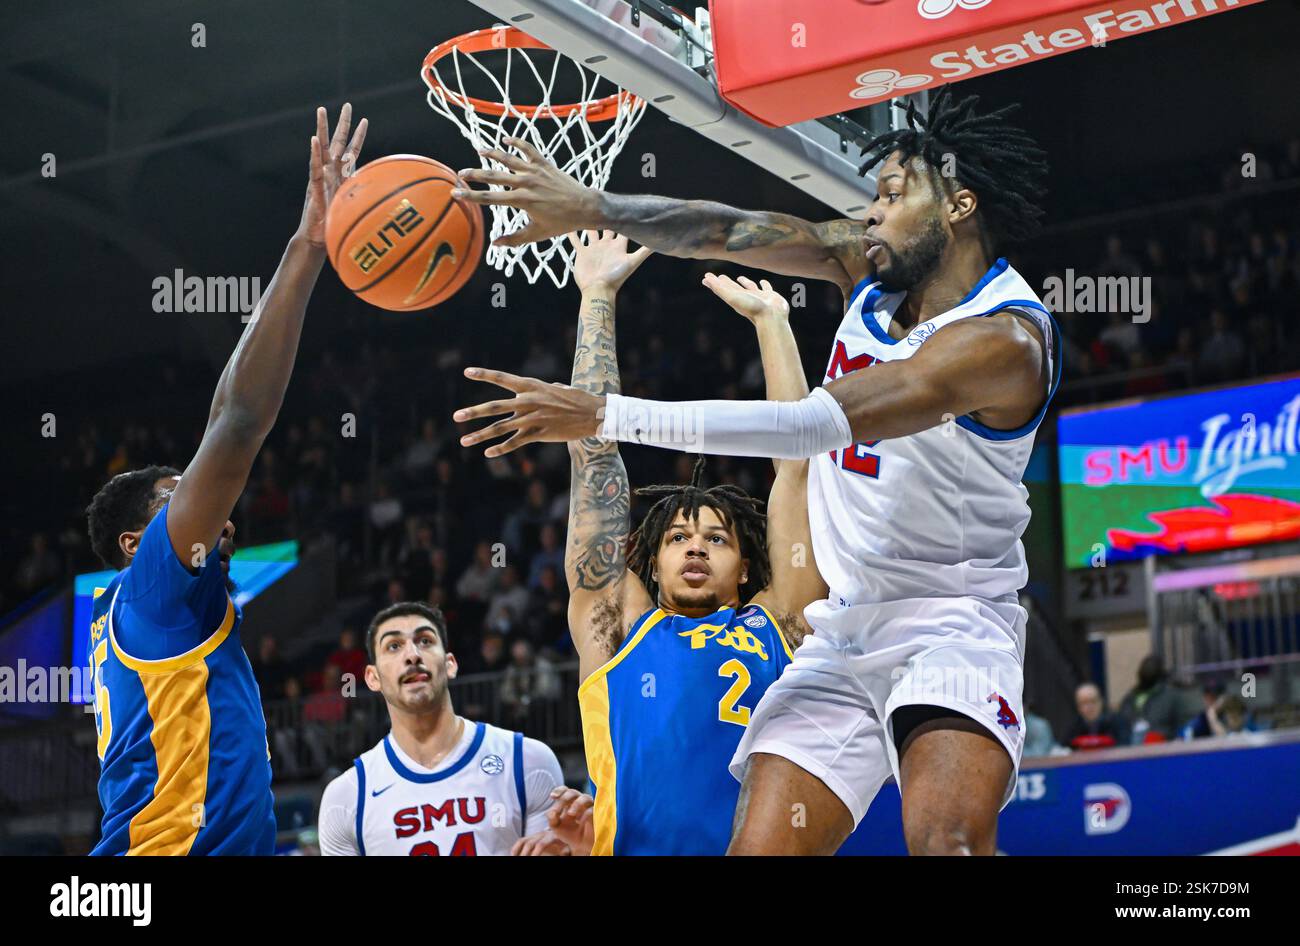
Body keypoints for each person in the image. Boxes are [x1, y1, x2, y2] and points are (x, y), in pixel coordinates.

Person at [453, 89, 1058, 855]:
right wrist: (591, 203)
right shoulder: (863, 268)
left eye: (894, 195)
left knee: (947, 845)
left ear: (960, 205)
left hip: (951, 622)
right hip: (846, 629)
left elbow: (810, 424)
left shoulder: (1004, 341)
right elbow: (725, 229)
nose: (870, 213)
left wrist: (607, 415)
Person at [82, 105, 367, 856]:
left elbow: (220, 415)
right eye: (176, 495)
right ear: (136, 540)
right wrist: (307, 254)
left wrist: (302, 245)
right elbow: (238, 427)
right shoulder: (156, 585)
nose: (223, 515)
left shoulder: (146, 610)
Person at [515, 231, 827, 855]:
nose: (695, 548)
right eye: (679, 537)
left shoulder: (780, 624)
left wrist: (773, 324)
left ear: (745, 568)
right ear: (651, 563)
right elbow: (593, 453)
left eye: (717, 539)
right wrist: (596, 296)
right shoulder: (618, 626)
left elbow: (799, 465)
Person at [316, 602, 564, 856]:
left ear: (450, 665)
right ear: (373, 678)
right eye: (394, 646)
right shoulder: (346, 798)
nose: (412, 655)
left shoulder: (527, 761)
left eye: (424, 641)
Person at [1119, 654, 1185, 742]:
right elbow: (1121, 723)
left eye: (1151, 668)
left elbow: (1179, 726)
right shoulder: (1130, 697)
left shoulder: (1171, 695)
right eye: (1145, 668)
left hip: (1162, 746)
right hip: (1133, 746)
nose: (1147, 671)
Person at [1063, 683, 1130, 750]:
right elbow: (1065, 749)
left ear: (1101, 702)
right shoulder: (1075, 727)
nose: (1090, 707)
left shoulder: (1118, 722)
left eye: (1093, 701)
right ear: (1078, 707)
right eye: (1084, 703)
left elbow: (1124, 747)